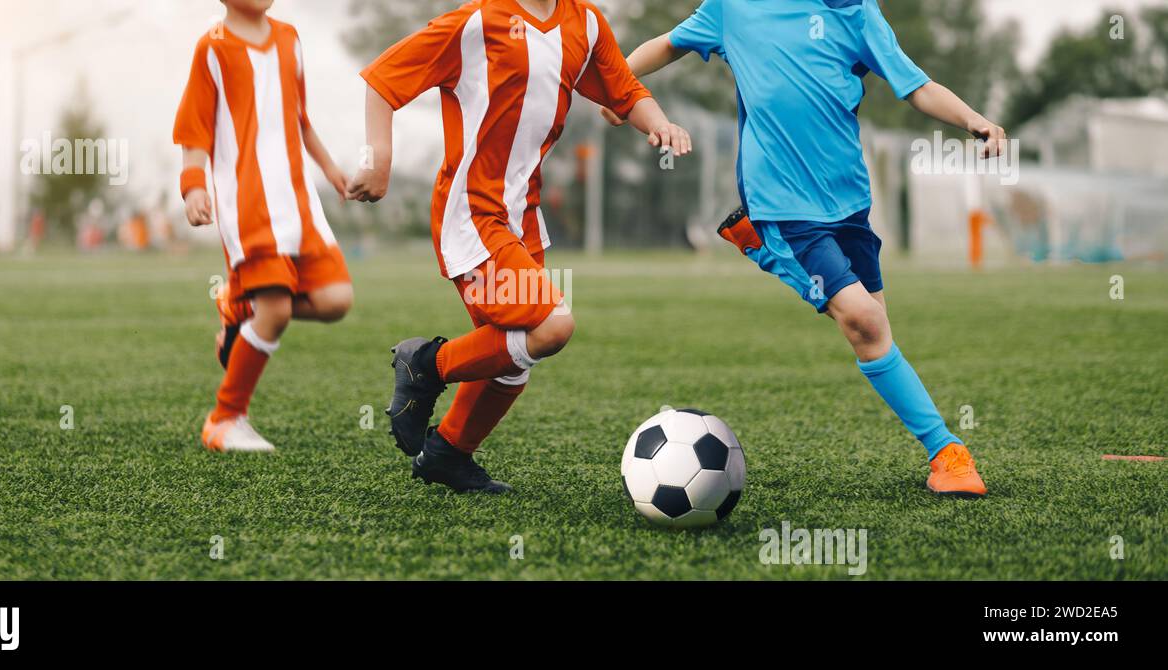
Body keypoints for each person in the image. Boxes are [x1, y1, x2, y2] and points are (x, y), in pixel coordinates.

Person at [607, 0, 1006, 496]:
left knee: (874, 329)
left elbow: (916, 85)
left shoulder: (857, 12)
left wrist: (974, 120)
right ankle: (947, 452)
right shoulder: (735, 7)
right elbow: (669, 44)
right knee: (864, 320)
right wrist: (618, 87)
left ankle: (758, 243)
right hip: (783, 202)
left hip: (849, 201)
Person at [348, 0, 692, 493]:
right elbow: (382, 81)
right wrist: (376, 158)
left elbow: (625, 90)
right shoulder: (477, 21)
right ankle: (424, 365)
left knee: (511, 357)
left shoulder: (585, 22)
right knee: (550, 326)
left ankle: (447, 455)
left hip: (523, 218)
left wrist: (658, 122)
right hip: (472, 214)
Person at [174, 0, 354, 453]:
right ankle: (225, 419)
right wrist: (193, 187)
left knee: (336, 300)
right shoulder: (212, 47)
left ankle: (238, 305)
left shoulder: (290, 38)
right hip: (249, 204)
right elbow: (194, 131)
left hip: (299, 200)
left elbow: (301, 119)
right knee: (275, 311)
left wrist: (331, 169)